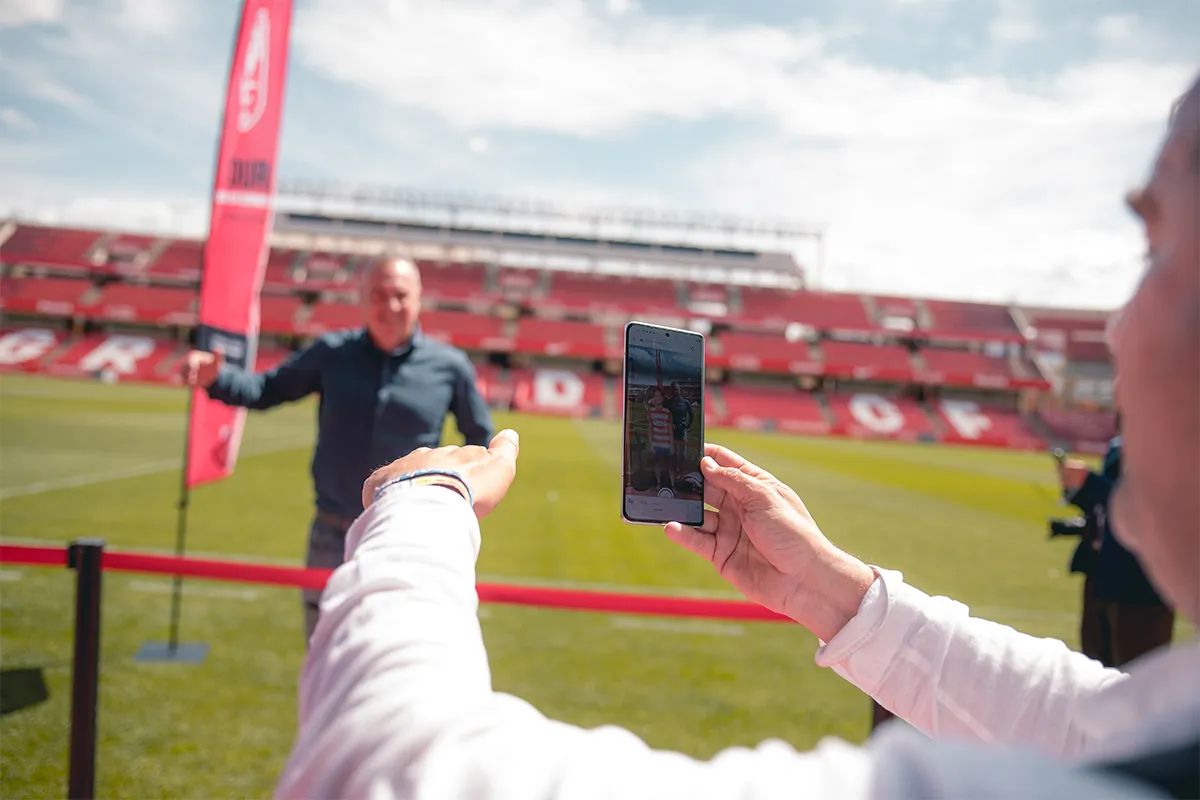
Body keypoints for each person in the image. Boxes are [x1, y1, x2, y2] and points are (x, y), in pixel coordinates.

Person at [275, 75, 1200, 798]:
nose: (1114, 329)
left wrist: (420, 508)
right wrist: (838, 592)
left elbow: (388, 777)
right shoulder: (1160, 739)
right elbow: (1091, 720)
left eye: (1152, 250)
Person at [181, 257, 494, 642]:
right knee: (322, 645)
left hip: (405, 532)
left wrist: (449, 501)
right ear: (362, 299)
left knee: (396, 645)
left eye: (400, 295)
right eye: (378, 295)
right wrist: (218, 379)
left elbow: (478, 442)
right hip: (330, 532)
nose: (390, 306)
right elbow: (265, 390)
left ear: (418, 299)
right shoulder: (331, 353)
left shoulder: (450, 367)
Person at [1060, 432, 1175, 667]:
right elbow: (1106, 509)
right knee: (1096, 674)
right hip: (1102, 577)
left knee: (1137, 680)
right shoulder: (1120, 444)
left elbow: (1152, 508)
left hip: (1140, 587)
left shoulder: (1175, 443)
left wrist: (1091, 483)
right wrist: (1077, 489)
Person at [645, 386, 676, 492]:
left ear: (662, 398)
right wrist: (651, 445)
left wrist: (672, 446)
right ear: (653, 399)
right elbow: (650, 429)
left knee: (670, 466)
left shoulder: (667, 412)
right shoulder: (651, 412)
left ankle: (672, 486)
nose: (658, 398)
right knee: (657, 465)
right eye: (655, 396)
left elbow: (670, 430)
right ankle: (658, 483)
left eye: (659, 396)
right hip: (657, 444)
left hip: (666, 444)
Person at [666, 380, 695, 476]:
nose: (676, 392)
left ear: (680, 390)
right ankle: (673, 470)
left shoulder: (685, 402)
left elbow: (691, 415)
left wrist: (688, 426)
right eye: (674, 390)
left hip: (682, 431)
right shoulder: (668, 402)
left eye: (677, 390)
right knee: (673, 452)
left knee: (682, 453)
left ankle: (682, 471)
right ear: (671, 390)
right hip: (671, 431)